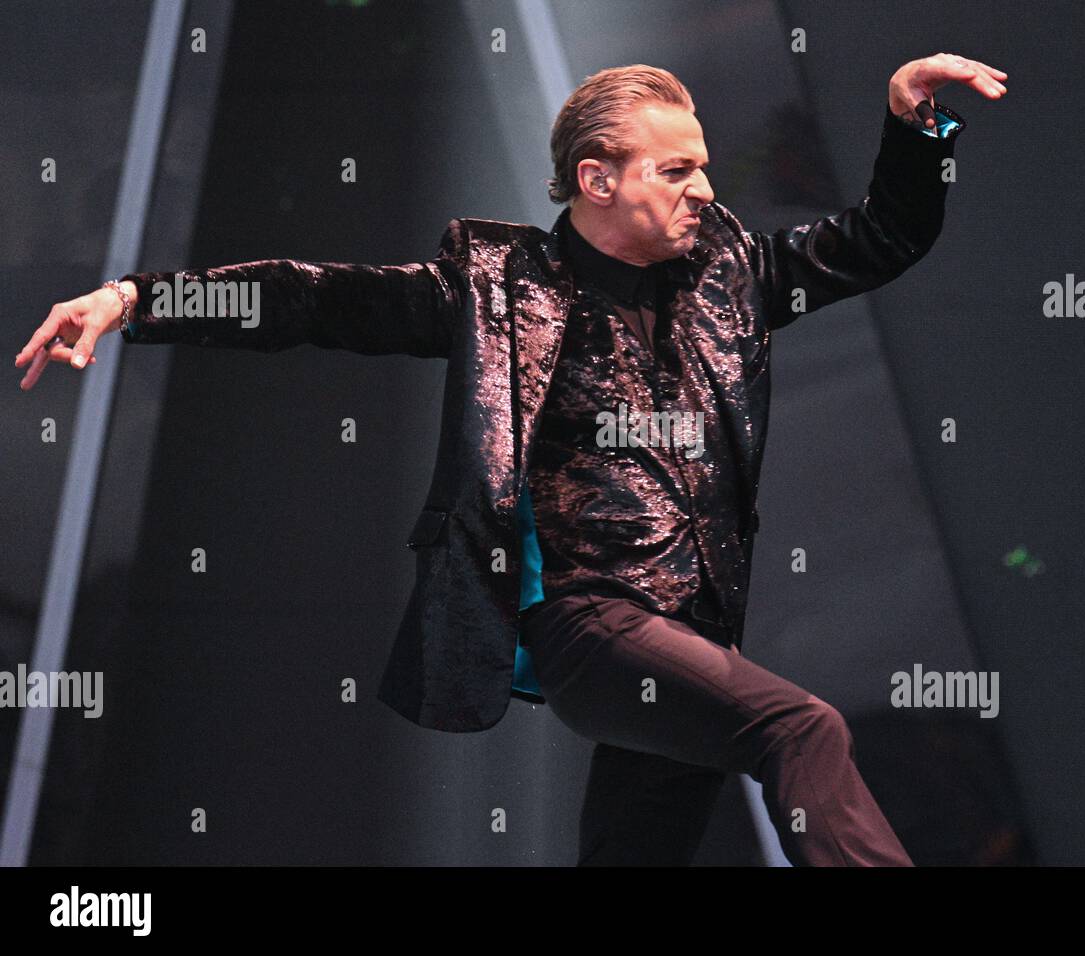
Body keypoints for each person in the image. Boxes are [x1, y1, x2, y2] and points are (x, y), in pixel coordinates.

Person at [16, 56, 1006, 866]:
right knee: (803, 730)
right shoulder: (500, 293)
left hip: (693, 630)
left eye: (704, 167)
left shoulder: (732, 272)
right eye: (677, 170)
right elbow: (315, 296)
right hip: (590, 623)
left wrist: (912, 127)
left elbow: (880, 238)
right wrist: (138, 299)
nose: (705, 189)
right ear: (597, 177)